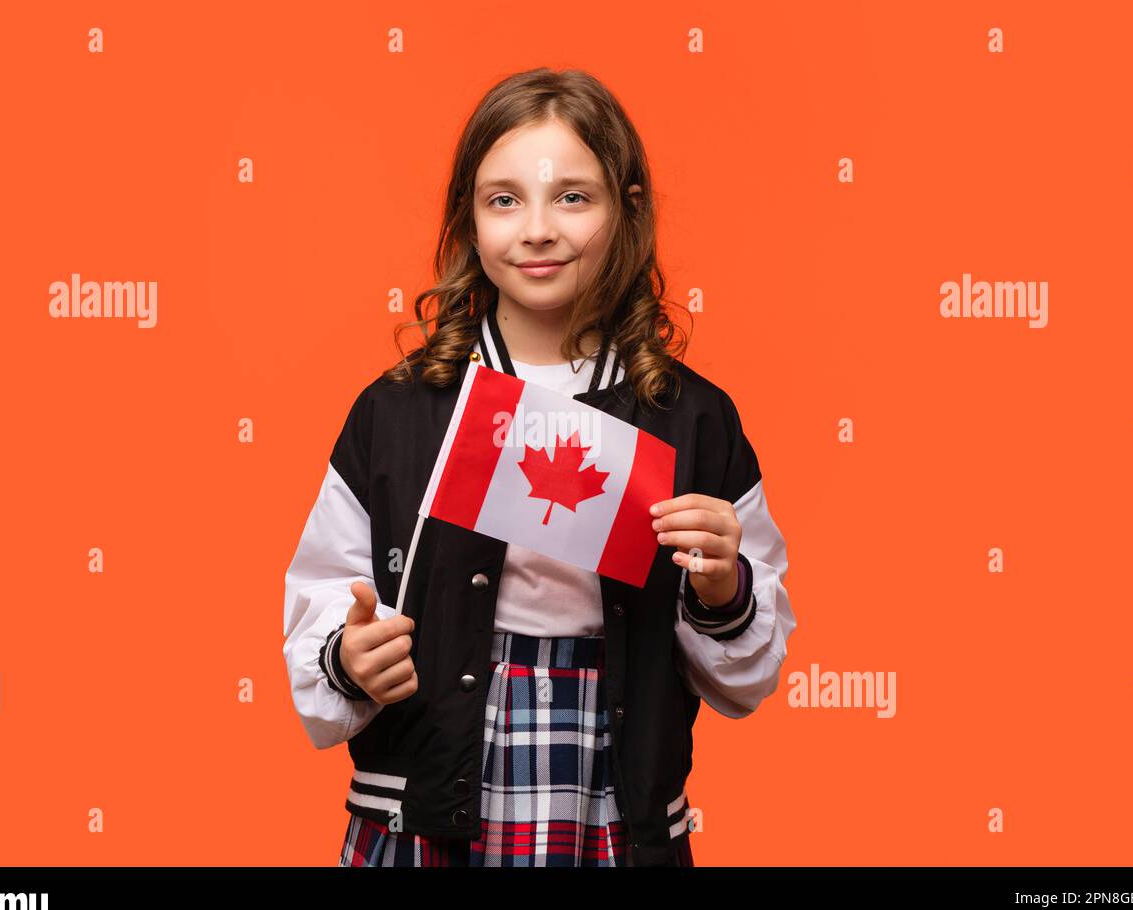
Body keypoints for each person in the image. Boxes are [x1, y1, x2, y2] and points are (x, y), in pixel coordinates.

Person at [282, 67, 797, 867]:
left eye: (573, 197)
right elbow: (321, 597)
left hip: (614, 801)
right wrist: (345, 658)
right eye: (504, 199)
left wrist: (725, 588)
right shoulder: (396, 412)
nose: (537, 230)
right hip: (427, 801)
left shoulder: (695, 420)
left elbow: (747, 682)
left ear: (628, 211)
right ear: (468, 220)